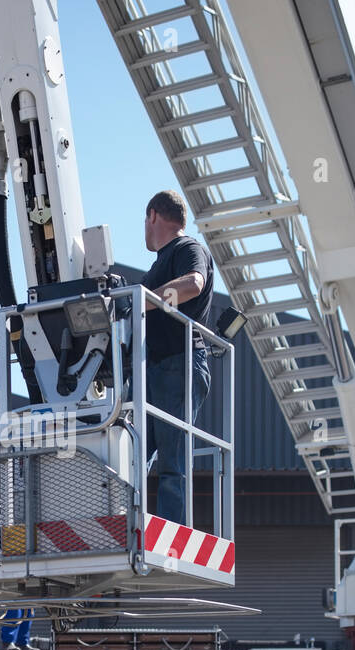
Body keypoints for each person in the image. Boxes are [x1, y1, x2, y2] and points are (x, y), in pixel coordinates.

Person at [140, 189, 214, 528]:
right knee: (132, 449)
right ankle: (130, 519)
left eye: (145, 220)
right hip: (156, 369)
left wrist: (145, 301)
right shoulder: (161, 262)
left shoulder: (187, 248)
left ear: (154, 215)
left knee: (171, 458)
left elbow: (194, 283)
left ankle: (170, 531)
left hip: (178, 363)